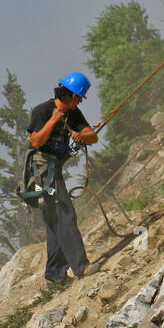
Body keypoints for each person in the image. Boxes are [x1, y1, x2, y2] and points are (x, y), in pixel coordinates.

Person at [25, 72, 98, 283]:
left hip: (54, 169)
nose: (81, 101)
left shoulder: (74, 114)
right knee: (64, 213)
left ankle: (55, 275)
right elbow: (36, 141)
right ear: (68, 94)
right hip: (41, 171)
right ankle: (81, 267)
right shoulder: (42, 111)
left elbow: (92, 136)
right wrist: (54, 121)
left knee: (54, 219)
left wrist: (80, 135)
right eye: (79, 97)